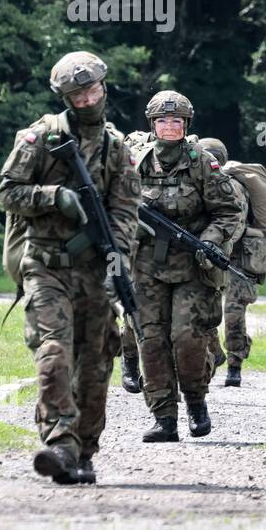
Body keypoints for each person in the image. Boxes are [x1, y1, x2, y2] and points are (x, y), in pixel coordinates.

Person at [0, 51, 140, 485]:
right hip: (45, 265)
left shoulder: (117, 149)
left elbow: (125, 212)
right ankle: (60, 442)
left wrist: (118, 263)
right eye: (77, 94)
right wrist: (50, 197)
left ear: (104, 88)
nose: (87, 99)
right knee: (55, 350)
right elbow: (7, 192)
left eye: (92, 90)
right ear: (65, 97)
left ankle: (84, 450)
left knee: (95, 364)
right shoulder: (41, 138)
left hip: (94, 269)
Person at [130, 92, 245, 442]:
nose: (169, 127)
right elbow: (114, 205)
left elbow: (229, 211)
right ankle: (164, 418)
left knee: (187, 338)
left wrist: (209, 241)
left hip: (194, 267)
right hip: (146, 267)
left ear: (186, 125)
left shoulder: (201, 162)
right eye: (162, 121)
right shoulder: (135, 161)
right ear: (152, 125)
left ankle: (196, 401)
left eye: (176, 121)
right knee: (150, 339)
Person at [196, 137, 266, 388]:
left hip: (234, 255)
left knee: (230, 309)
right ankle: (222, 357)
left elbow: (233, 224)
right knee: (214, 309)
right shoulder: (207, 184)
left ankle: (233, 363)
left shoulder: (232, 187)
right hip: (220, 253)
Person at [116, 128, 153, 395]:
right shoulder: (128, 166)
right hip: (133, 249)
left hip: (171, 252)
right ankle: (130, 362)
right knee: (133, 310)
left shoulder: (183, 162)